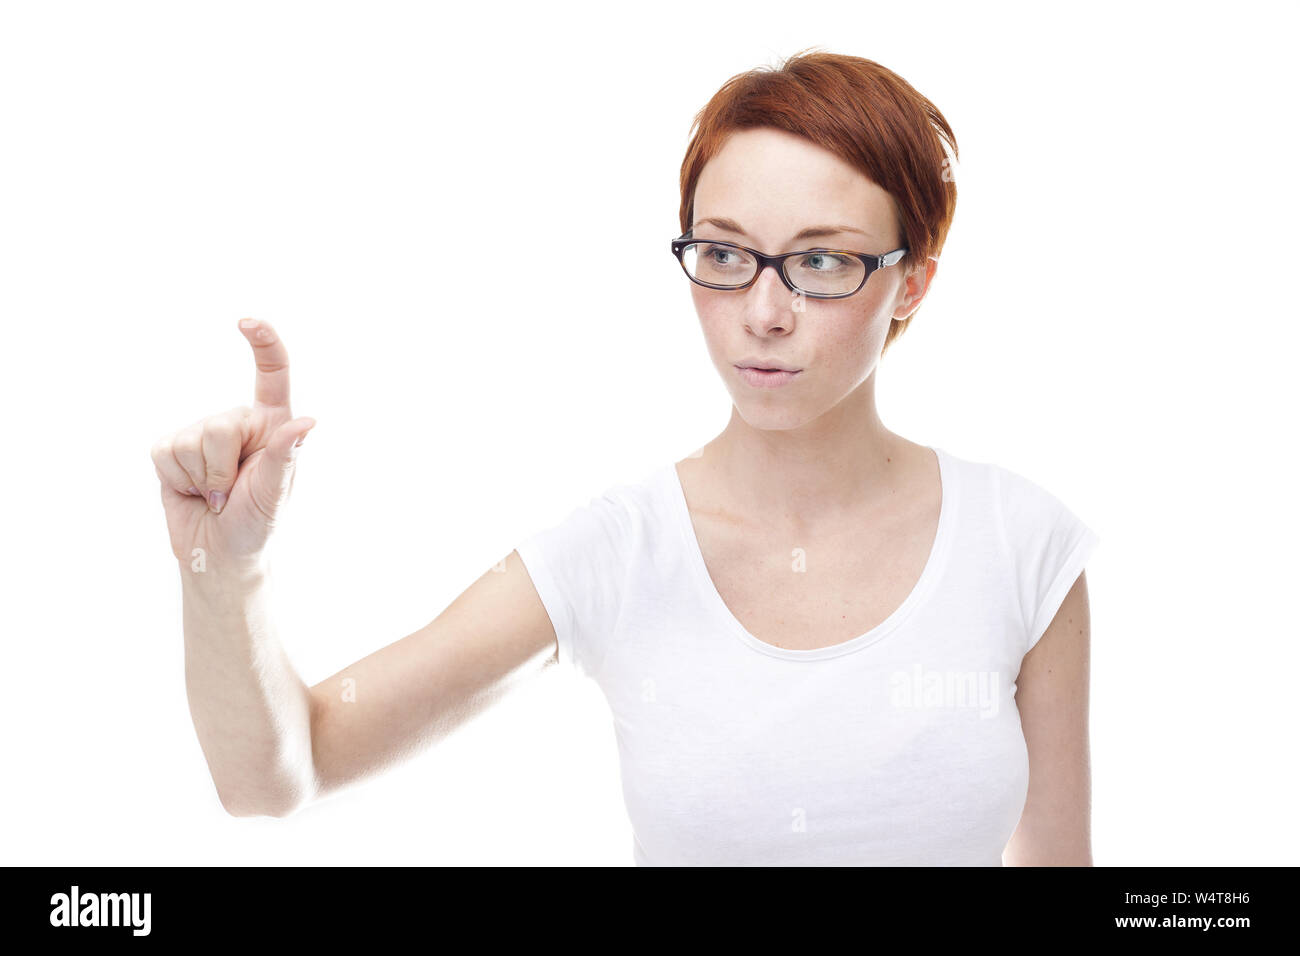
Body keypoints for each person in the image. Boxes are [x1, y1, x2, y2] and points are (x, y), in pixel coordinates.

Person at [150, 50, 1099, 866]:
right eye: (725, 255)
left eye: (821, 262)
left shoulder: (1021, 543)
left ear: (912, 285)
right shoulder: (618, 551)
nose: (764, 313)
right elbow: (281, 774)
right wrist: (226, 572)